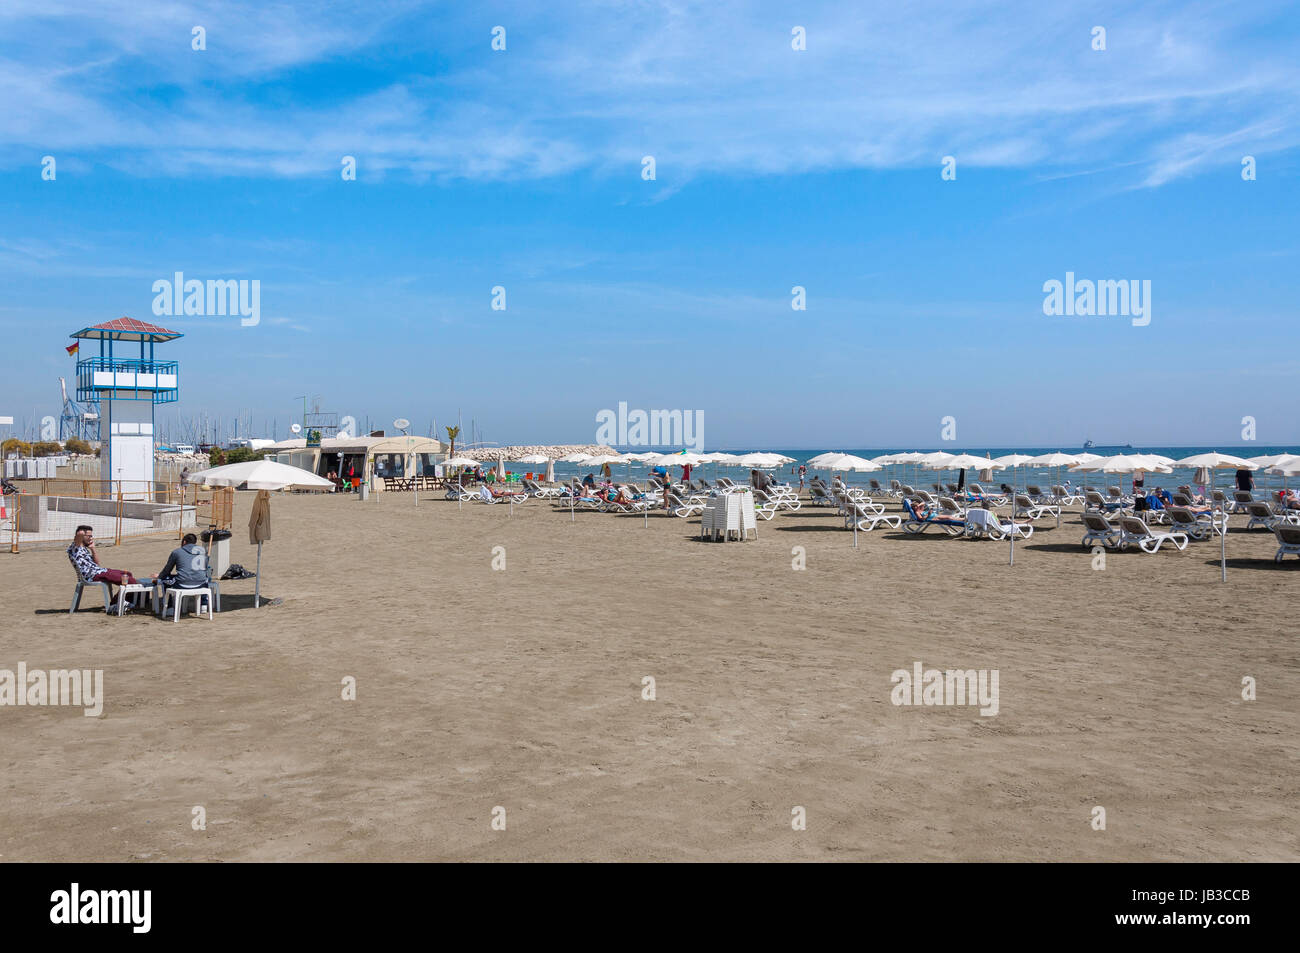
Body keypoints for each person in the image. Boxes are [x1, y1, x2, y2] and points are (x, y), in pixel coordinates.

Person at [67, 525, 139, 603]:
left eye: (92, 536)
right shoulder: (75, 547)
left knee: (128, 574)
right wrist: (82, 533)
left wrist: (93, 549)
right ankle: (115, 602)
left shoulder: (85, 548)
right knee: (130, 581)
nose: (91, 538)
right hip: (92, 575)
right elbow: (80, 533)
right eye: (89, 536)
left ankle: (129, 599)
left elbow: (97, 564)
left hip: (99, 571)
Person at [156, 533, 209, 607]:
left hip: (183, 583)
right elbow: (205, 568)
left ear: (184, 542)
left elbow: (167, 570)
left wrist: (159, 576)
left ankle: (169, 607)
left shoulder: (177, 552)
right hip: (201, 583)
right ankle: (204, 604)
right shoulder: (203, 551)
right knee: (204, 577)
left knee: (165, 579)